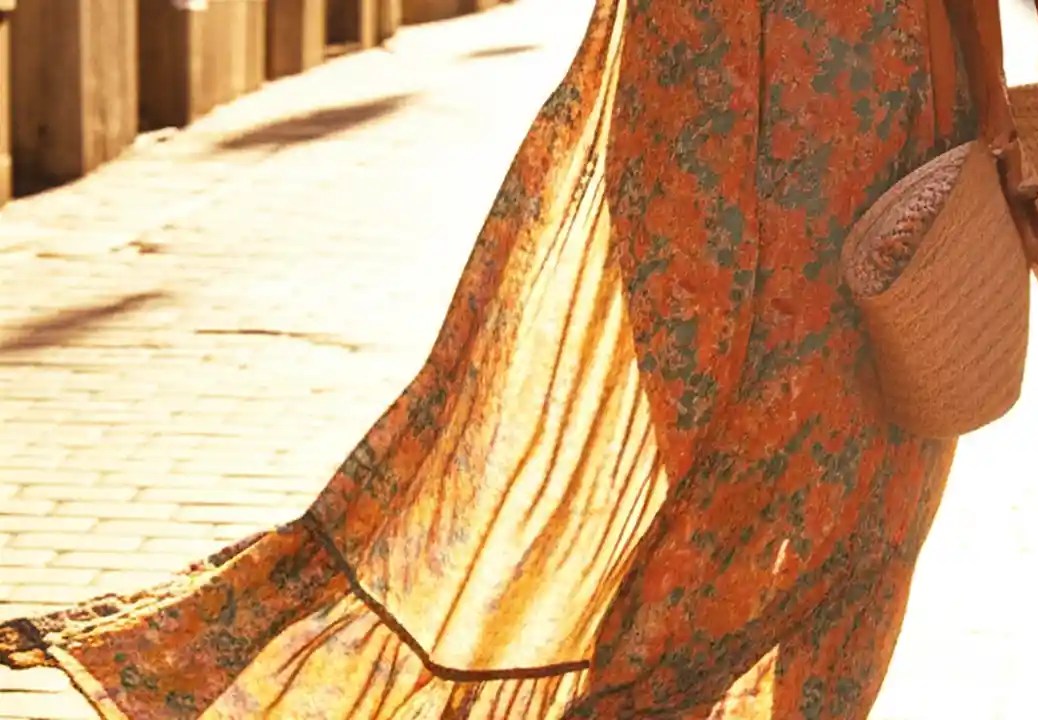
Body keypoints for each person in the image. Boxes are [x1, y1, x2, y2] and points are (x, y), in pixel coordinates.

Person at [1, 0, 985, 716]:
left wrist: (992, 113)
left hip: (867, 114)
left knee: (870, 474)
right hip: (704, 108)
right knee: (734, 467)